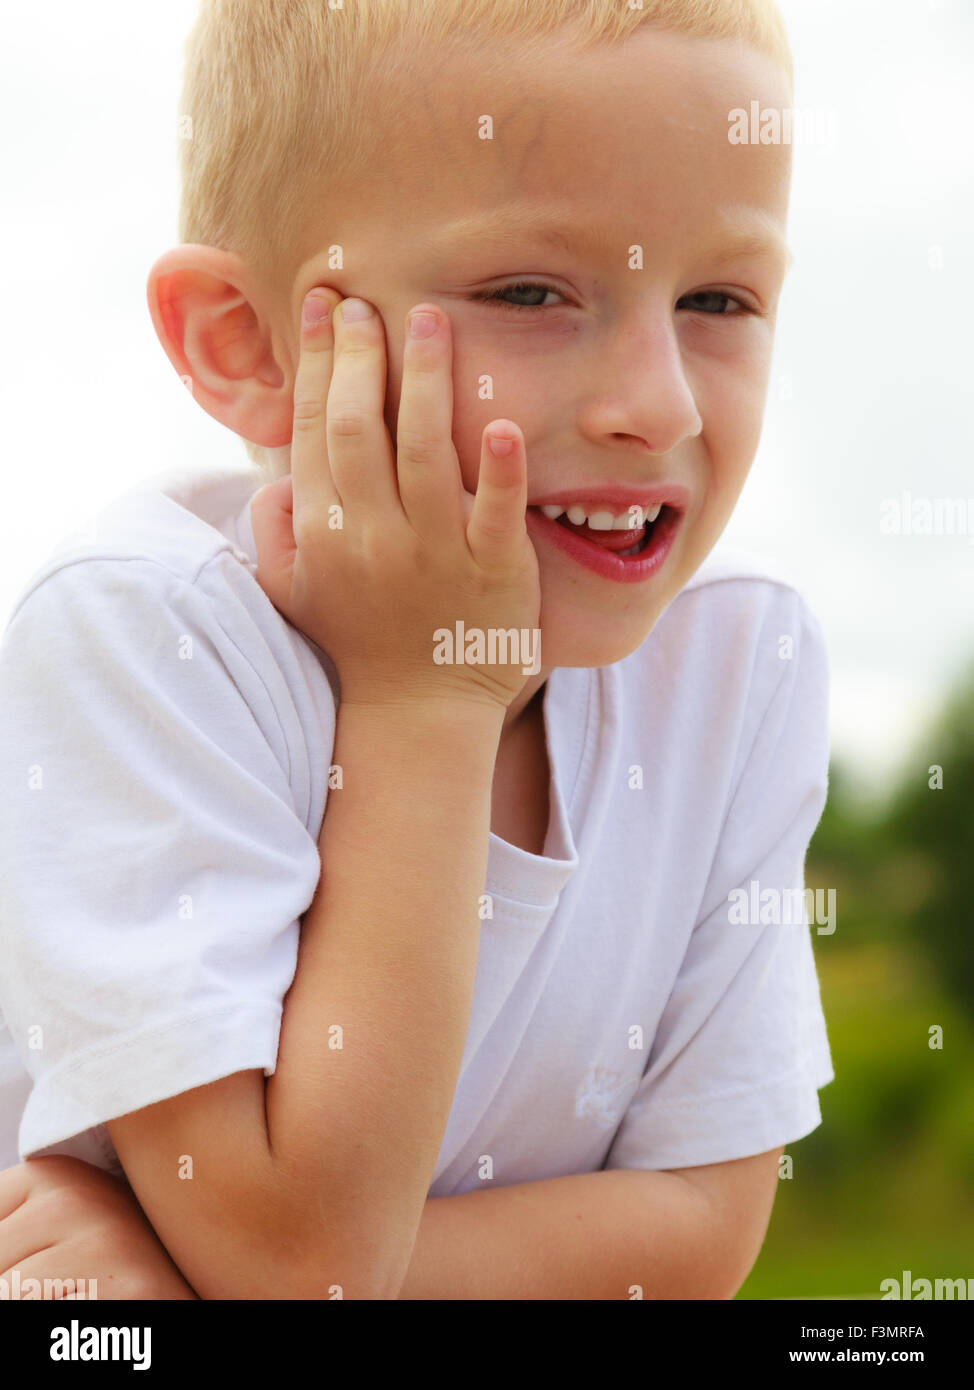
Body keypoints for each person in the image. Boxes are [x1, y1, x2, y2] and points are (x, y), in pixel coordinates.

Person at [0, 0, 833, 1299]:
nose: (657, 404)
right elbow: (305, 1259)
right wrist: (426, 693)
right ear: (245, 344)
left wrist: (187, 1270)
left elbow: (700, 1225)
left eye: (718, 297)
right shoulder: (145, 636)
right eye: (528, 293)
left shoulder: (738, 662)